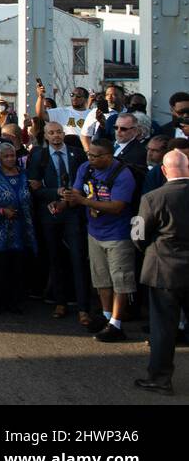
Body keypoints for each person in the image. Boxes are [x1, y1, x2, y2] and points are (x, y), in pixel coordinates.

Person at [62, 137, 139, 342]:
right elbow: (77, 191)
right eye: (90, 155)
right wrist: (67, 196)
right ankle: (105, 316)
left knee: (120, 281)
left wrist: (84, 201)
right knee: (101, 278)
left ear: (108, 156)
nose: (92, 159)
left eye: (96, 156)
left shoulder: (123, 174)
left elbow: (117, 207)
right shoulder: (85, 168)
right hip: (94, 232)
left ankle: (116, 323)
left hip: (118, 235)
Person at [133, 148, 189, 395]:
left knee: (163, 329)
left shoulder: (153, 198)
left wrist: (148, 248)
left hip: (163, 270)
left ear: (164, 171)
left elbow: (137, 235)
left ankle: (160, 378)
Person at [26, 121, 90, 322]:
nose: (56, 136)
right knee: (54, 258)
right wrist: (55, 192)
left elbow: (85, 182)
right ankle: (60, 302)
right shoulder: (38, 156)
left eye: (59, 132)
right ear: (45, 136)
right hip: (50, 212)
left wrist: (69, 197)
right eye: (52, 133)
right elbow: (34, 187)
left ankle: (83, 308)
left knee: (77, 258)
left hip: (73, 211)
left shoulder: (77, 154)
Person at [0, 141, 36, 314]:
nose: (10, 159)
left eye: (13, 155)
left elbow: (32, 196)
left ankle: (16, 302)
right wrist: (1, 210)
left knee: (18, 268)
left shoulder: (25, 175)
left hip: (21, 229)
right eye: (6, 156)